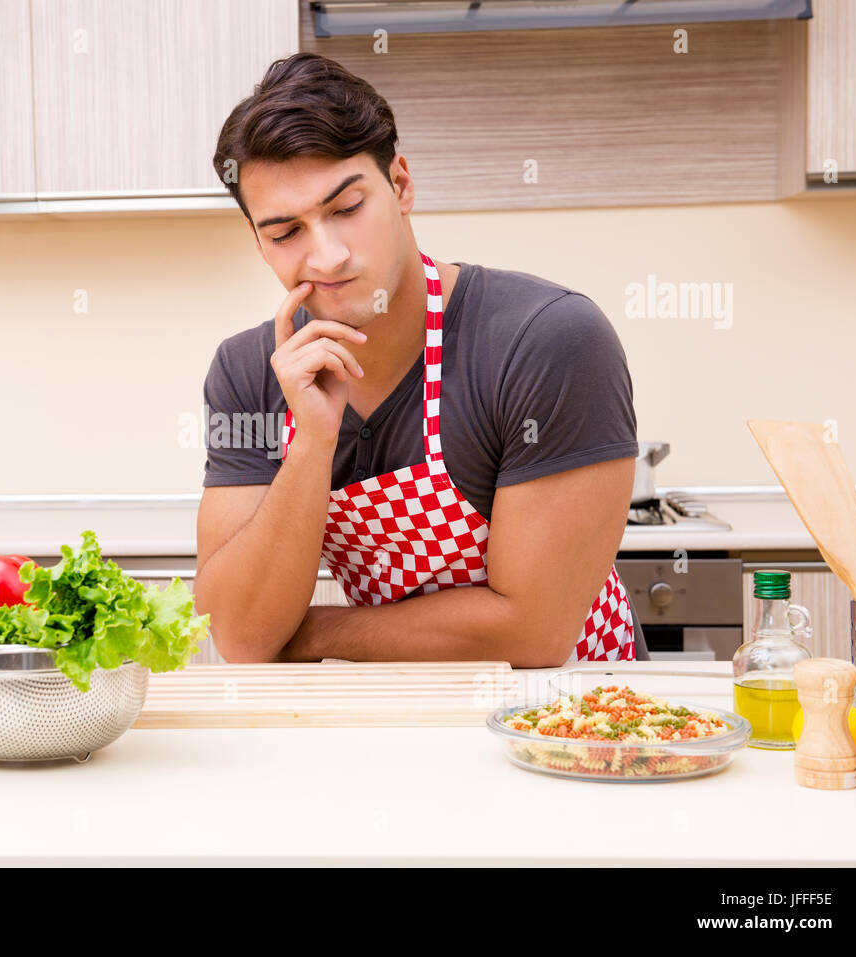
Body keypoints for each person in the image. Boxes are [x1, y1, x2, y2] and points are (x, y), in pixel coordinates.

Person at [193, 53, 640, 667]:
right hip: (401, 719)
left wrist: (313, 634)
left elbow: (534, 633)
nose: (326, 258)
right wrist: (312, 445)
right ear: (259, 242)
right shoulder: (249, 373)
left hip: (569, 723)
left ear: (400, 184)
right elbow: (242, 638)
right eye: (285, 232)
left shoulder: (548, 339)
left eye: (346, 209)